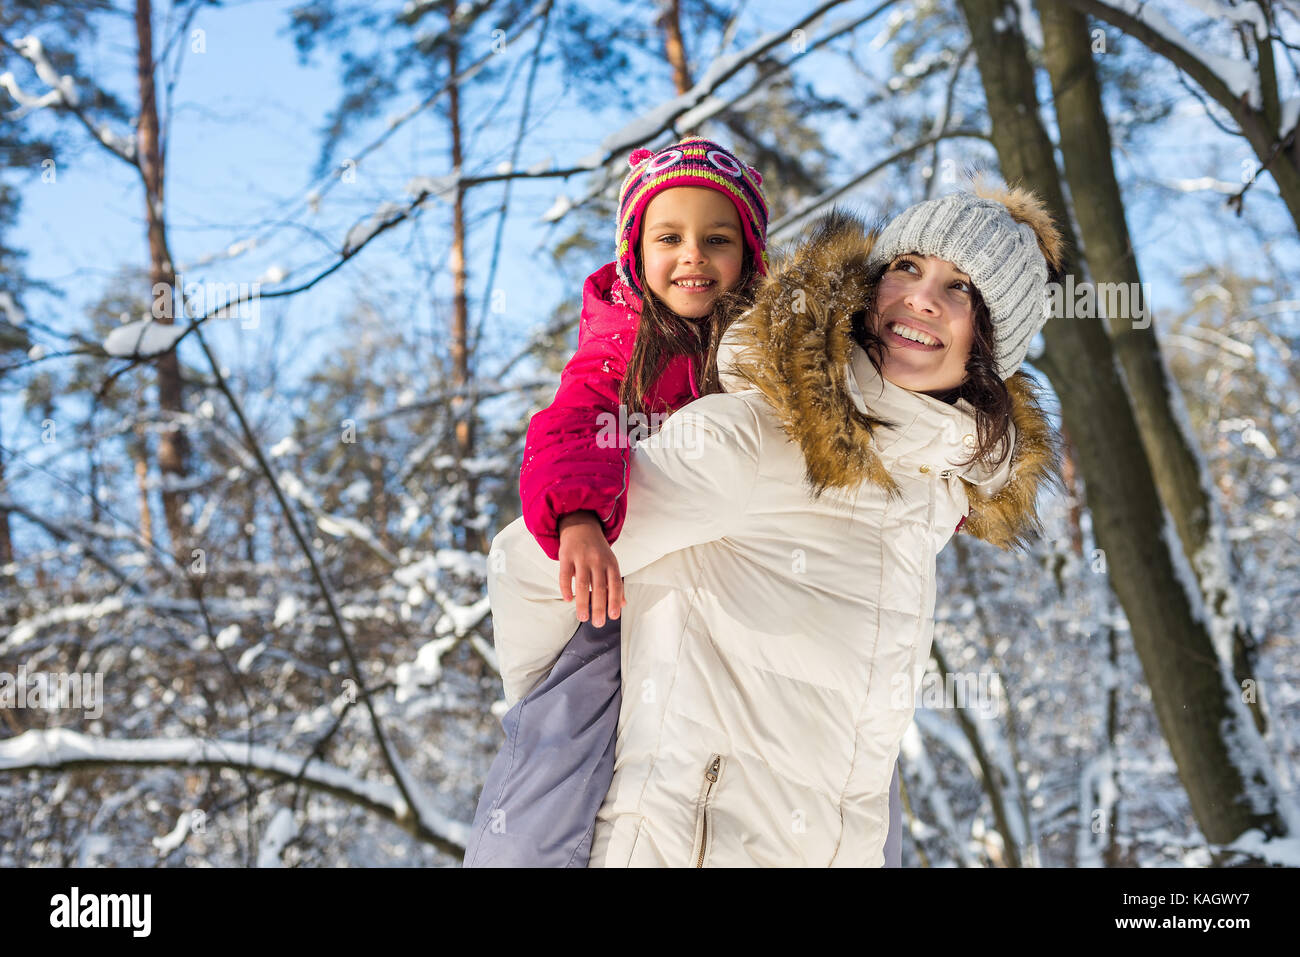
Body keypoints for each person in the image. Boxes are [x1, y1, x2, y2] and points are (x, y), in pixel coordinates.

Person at [479, 174, 1066, 866]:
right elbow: (531, 561)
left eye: (960, 288)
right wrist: (564, 716)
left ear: (995, 344)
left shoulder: (933, 501)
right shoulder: (755, 436)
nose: (922, 296)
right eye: (906, 266)